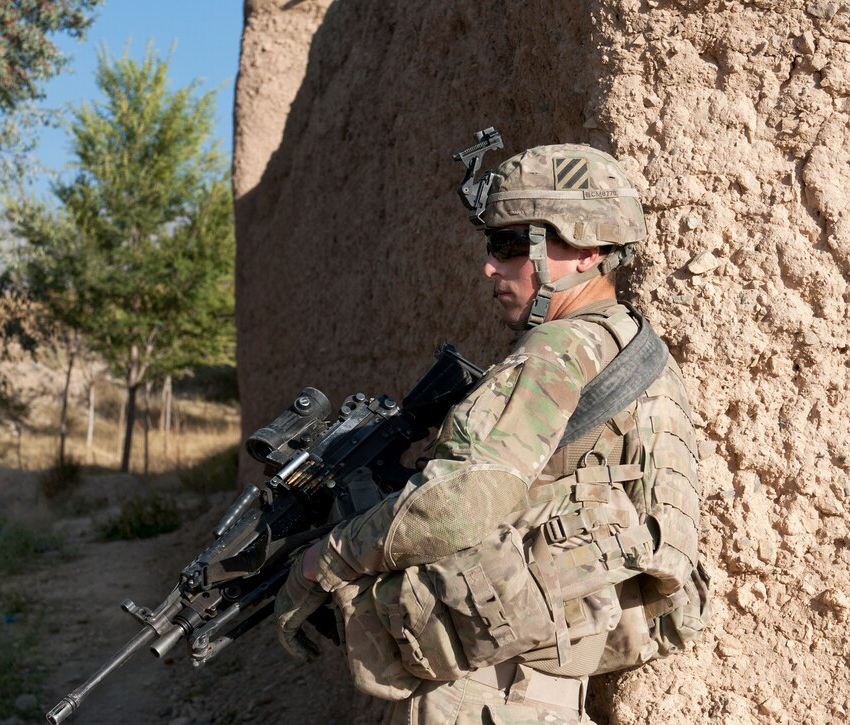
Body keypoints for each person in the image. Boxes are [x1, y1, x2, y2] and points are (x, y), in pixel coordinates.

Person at [274, 144, 704, 724]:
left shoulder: (556, 352)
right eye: (491, 245)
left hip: (484, 686)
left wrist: (325, 559)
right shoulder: (632, 346)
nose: (490, 266)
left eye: (510, 246)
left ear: (585, 248)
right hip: (544, 679)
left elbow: (460, 504)